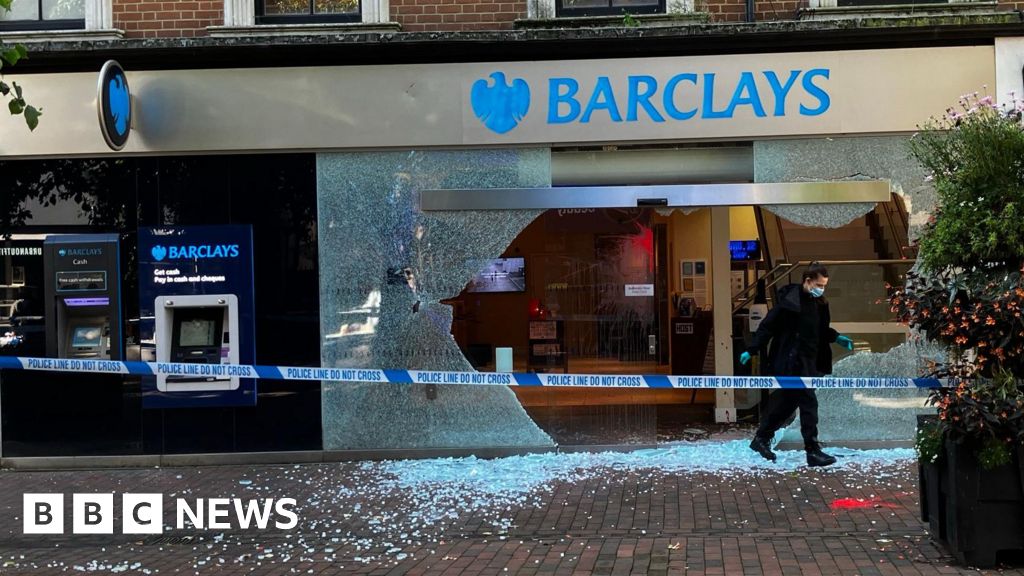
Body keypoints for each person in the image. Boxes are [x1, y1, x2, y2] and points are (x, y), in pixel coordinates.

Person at [739, 262, 854, 467]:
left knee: (788, 402)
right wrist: (752, 349)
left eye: (824, 285)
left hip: (810, 360)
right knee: (808, 402)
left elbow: (820, 330)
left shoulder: (820, 304)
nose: (822, 289)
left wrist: (836, 337)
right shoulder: (789, 304)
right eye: (819, 284)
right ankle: (812, 450)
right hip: (792, 361)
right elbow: (767, 327)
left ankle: (761, 438)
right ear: (807, 281)